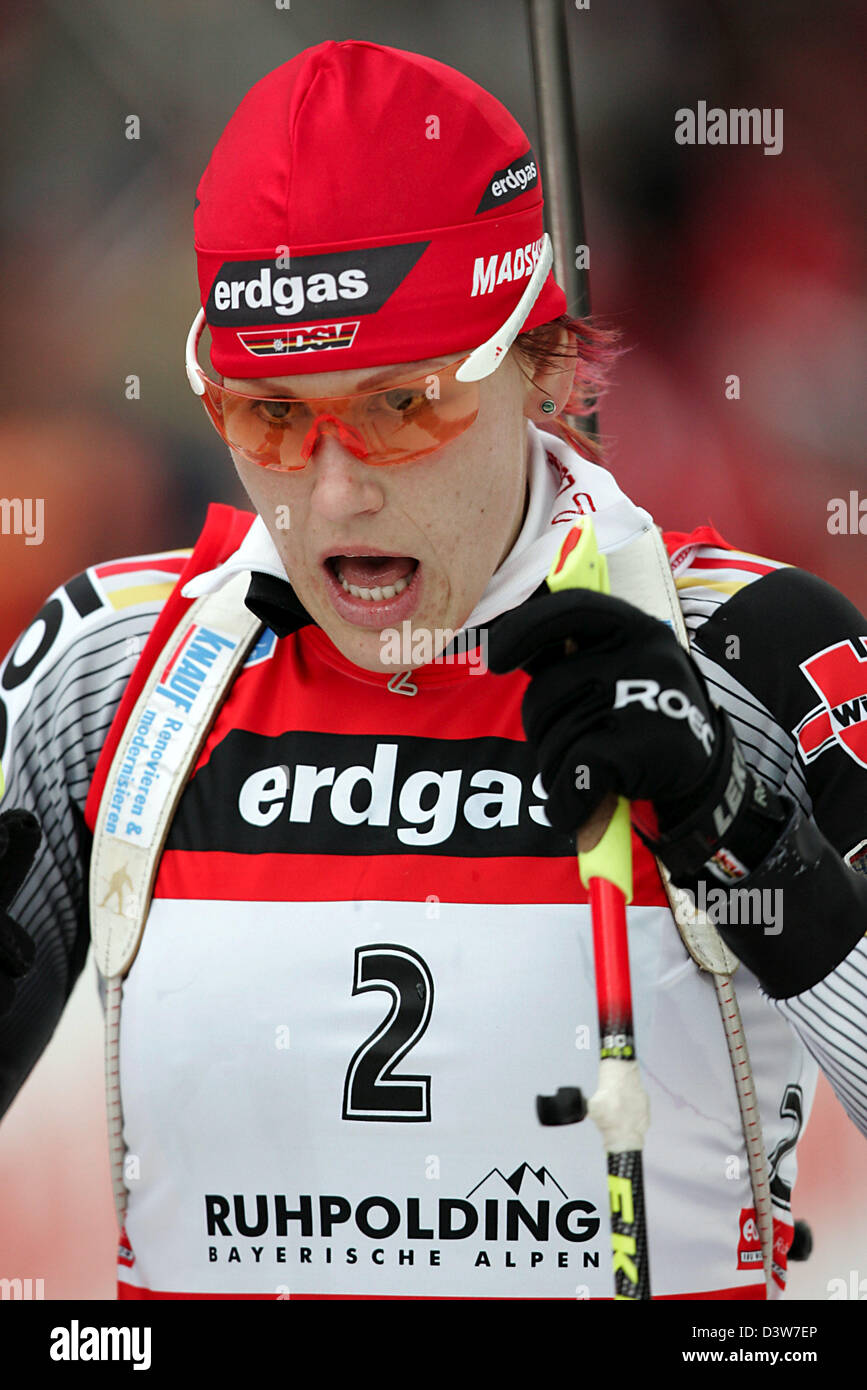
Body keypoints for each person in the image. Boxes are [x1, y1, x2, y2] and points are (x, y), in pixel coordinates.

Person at [0, 39, 865, 1303]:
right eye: (274, 417)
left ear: (542, 364)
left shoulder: (751, 649)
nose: (336, 491)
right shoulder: (106, 668)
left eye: (403, 406)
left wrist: (751, 842)